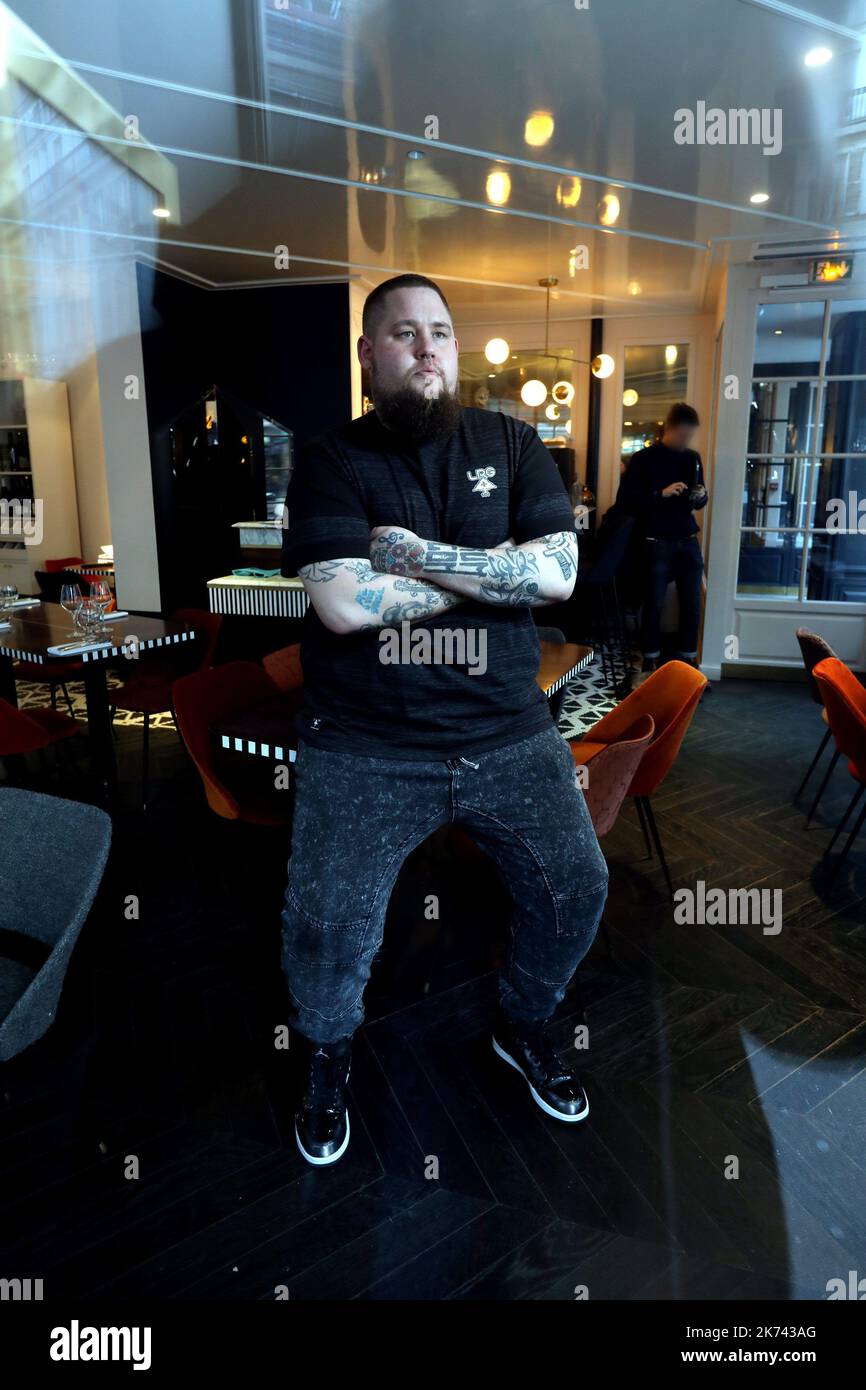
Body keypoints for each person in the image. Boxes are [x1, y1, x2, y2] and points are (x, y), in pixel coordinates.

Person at [280, 273, 608, 1165]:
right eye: (402, 333)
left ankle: (524, 1021)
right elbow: (344, 603)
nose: (427, 348)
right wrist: (487, 567)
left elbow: (555, 577)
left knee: (575, 889)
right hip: (364, 744)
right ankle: (326, 1052)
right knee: (328, 929)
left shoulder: (513, 440)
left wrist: (418, 557)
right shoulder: (330, 460)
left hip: (508, 733)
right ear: (367, 354)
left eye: (441, 332)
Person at [615, 402, 708, 682]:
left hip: (688, 538)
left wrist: (700, 495)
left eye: (689, 436)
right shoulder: (643, 459)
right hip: (656, 541)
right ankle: (650, 664)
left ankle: (688, 665)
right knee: (653, 603)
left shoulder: (693, 458)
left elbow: (700, 501)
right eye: (682, 435)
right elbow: (625, 502)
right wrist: (660, 494)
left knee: (692, 603)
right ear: (669, 429)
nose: (685, 441)